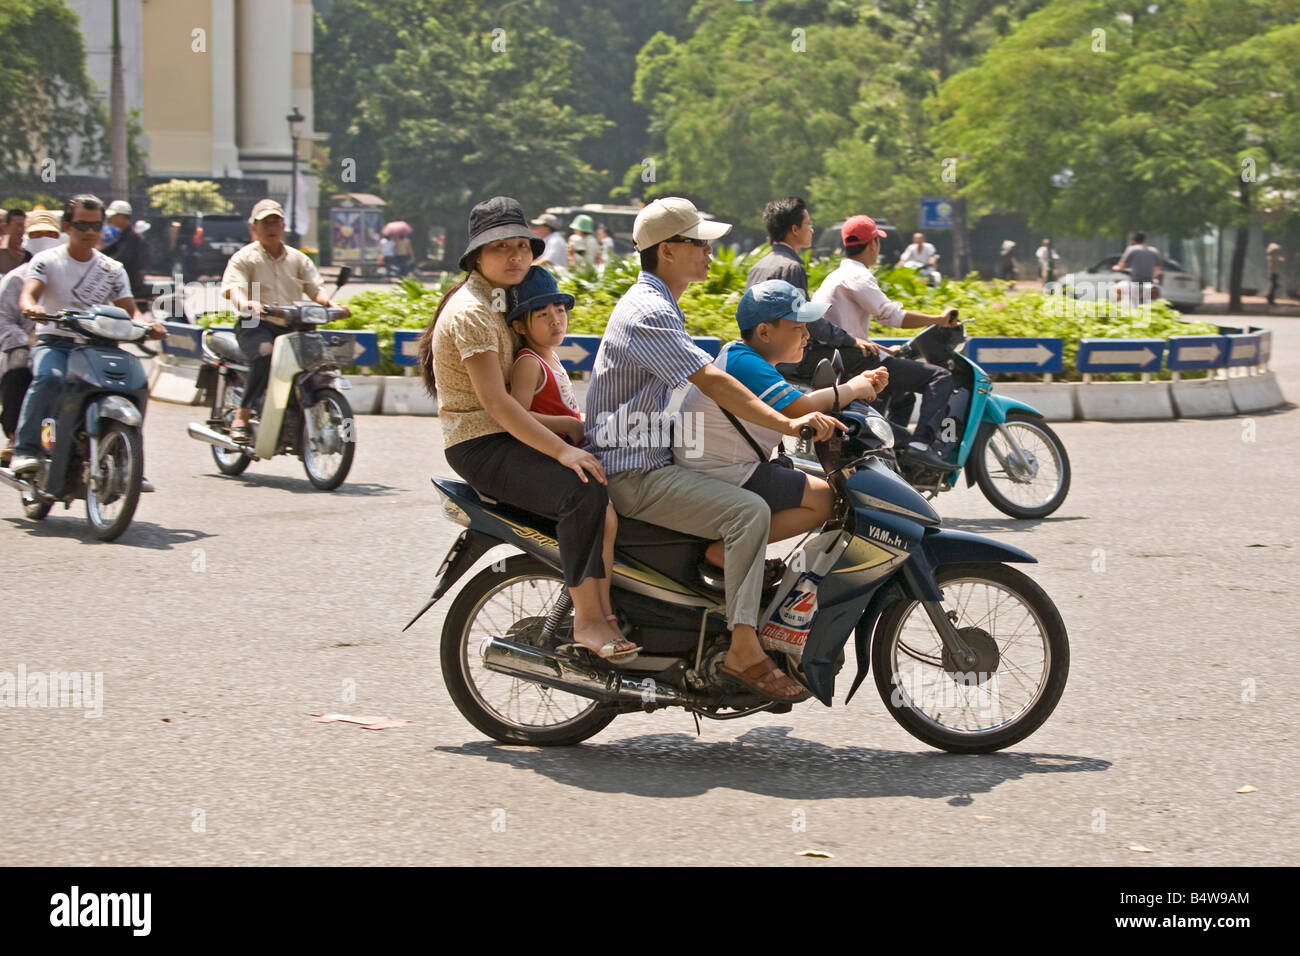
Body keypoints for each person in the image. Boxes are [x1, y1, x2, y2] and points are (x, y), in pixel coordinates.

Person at [586, 196, 841, 703]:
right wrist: (789, 423)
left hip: (650, 461)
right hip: (634, 472)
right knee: (748, 514)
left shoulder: (661, 303)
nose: (709, 252)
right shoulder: (649, 312)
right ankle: (744, 650)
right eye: (699, 242)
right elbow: (714, 381)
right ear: (667, 250)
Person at [416, 197, 636, 660]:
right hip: (481, 443)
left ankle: (609, 609)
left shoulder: (499, 300)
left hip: (501, 434)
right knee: (581, 489)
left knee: (605, 487)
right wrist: (563, 452)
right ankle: (588, 622)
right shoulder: (472, 312)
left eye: (522, 246)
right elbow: (497, 404)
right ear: (478, 256)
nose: (515, 257)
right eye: (502, 248)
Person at [674, 279, 888, 563]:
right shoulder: (745, 364)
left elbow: (797, 399)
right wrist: (855, 387)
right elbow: (801, 407)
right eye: (798, 328)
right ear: (764, 331)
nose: (807, 336)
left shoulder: (744, 357)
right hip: (722, 473)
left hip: (718, 467)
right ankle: (728, 550)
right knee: (825, 499)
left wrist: (854, 387)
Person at [8, 195, 166, 475]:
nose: (90, 232)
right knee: (49, 378)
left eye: (96, 226)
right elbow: (28, 295)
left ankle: (127, 462)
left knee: (134, 385)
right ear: (67, 226)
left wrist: (147, 326)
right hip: (55, 342)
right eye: (82, 225)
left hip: (99, 346)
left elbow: (131, 311)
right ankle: (26, 449)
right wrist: (32, 308)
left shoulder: (112, 269)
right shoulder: (46, 261)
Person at [812, 215, 959, 471]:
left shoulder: (838, 275)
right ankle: (920, 446)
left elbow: (848, 330)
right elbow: (892, 316)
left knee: (903, 396)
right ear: (872, 246)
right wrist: (938, 319)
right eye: (877, 244)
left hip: (843, 359)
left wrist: (882, 348)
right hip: (855, 363)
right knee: (941, 377)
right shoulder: (858, 275)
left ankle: (890, 452)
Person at [220, 199, 350, 443]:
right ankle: (243, 415)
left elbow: (315, 289)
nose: (271, 227)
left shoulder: (298, 259)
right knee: (265, 355)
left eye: (275, 222)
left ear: (283, 226)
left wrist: (332, 305)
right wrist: (246, 302)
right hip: (255, 324)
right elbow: (233, 288)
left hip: (292, 324)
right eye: (265, 222)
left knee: (317, 361)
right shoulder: (244, 258)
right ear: (254, 228)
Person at [748, 196, 872, 382]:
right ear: (795, 229)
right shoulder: (791, 267)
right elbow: (807, 319)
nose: (812, 229)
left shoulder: (758, 266)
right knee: (865, 356)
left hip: (759, 356)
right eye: (808, 224)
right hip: (789, 360)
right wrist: (851, 340)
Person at [0, 210, 63, 463]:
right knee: (20, 371)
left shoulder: (70, 274)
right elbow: (3, 321)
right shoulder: (15, 279)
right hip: (25, 346)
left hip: (65, 344)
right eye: (37, 234)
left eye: (50, 234)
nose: (44, 239)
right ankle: (18, 438)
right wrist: (26, 340)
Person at [506, 265, 586, 447]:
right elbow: (518, 416)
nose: (555, 320)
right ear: (520, 327)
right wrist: (569, 424)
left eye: (559, 310)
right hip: (550, 451)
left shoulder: (552, 357)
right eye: (543, 314)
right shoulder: (529, 363)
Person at [101, 200, 150, 302]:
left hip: (130, 283)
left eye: (114, 215)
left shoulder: (132, 237)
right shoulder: (123, 236)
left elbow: (123, 260)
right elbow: (107, 251)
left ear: (122, 216)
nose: (111, 219)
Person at [0, 208, 27, 274]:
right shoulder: (2, 253)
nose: (21, 230)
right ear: (5, 227)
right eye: (18, 225)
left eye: (23, 226)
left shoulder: (27, 254)